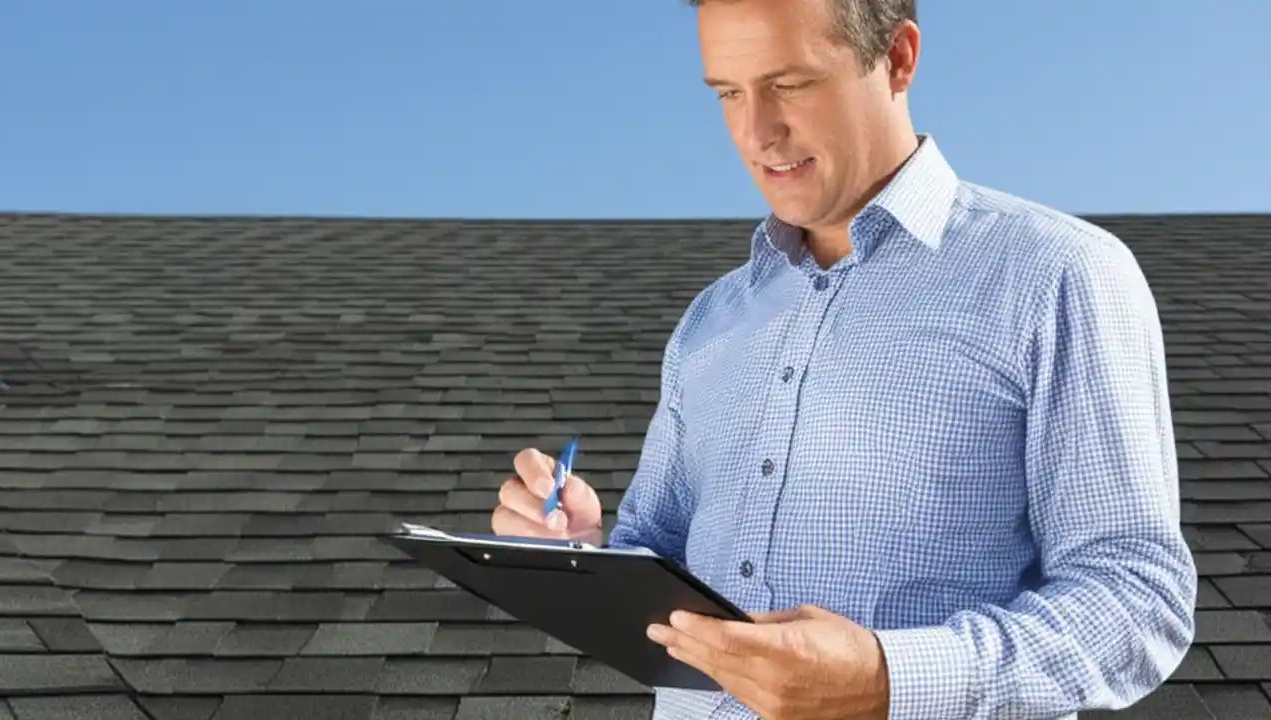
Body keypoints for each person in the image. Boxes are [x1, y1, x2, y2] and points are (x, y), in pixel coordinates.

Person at [492, 0, 1198, 717]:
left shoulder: (1056, 275)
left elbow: (1137, 600)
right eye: (729, 93)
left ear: (897, 58)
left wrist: (888, 677)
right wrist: (578, 552)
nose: (756, 132)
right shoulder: (711, 319)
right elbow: (659, 552)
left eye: (789, 84)